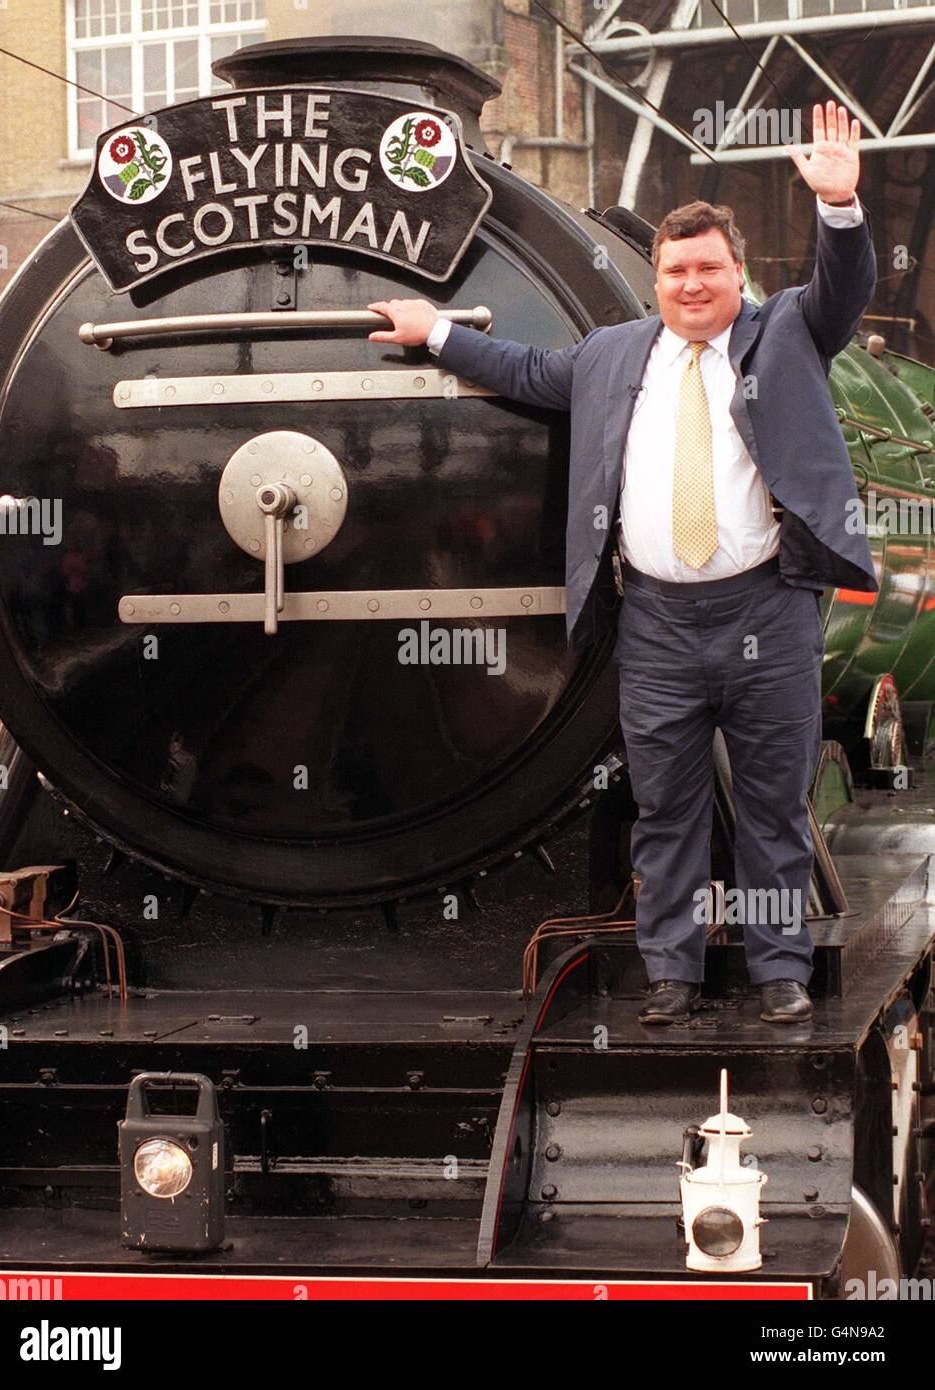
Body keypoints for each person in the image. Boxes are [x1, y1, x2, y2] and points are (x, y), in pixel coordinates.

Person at [366, 101, 877, 1026]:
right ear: (656, 278)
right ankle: (672, 970)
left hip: (765, 612)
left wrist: (838, 206)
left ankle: (777, 970)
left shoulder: (790, 335)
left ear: (739, 275)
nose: (690, 285)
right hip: (655, 622)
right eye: (675, 270)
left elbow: (841, 289)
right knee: (666, 806)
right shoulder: (609, 356)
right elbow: (521, 370)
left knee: (770, 807)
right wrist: (432, 330)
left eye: (708, 269)